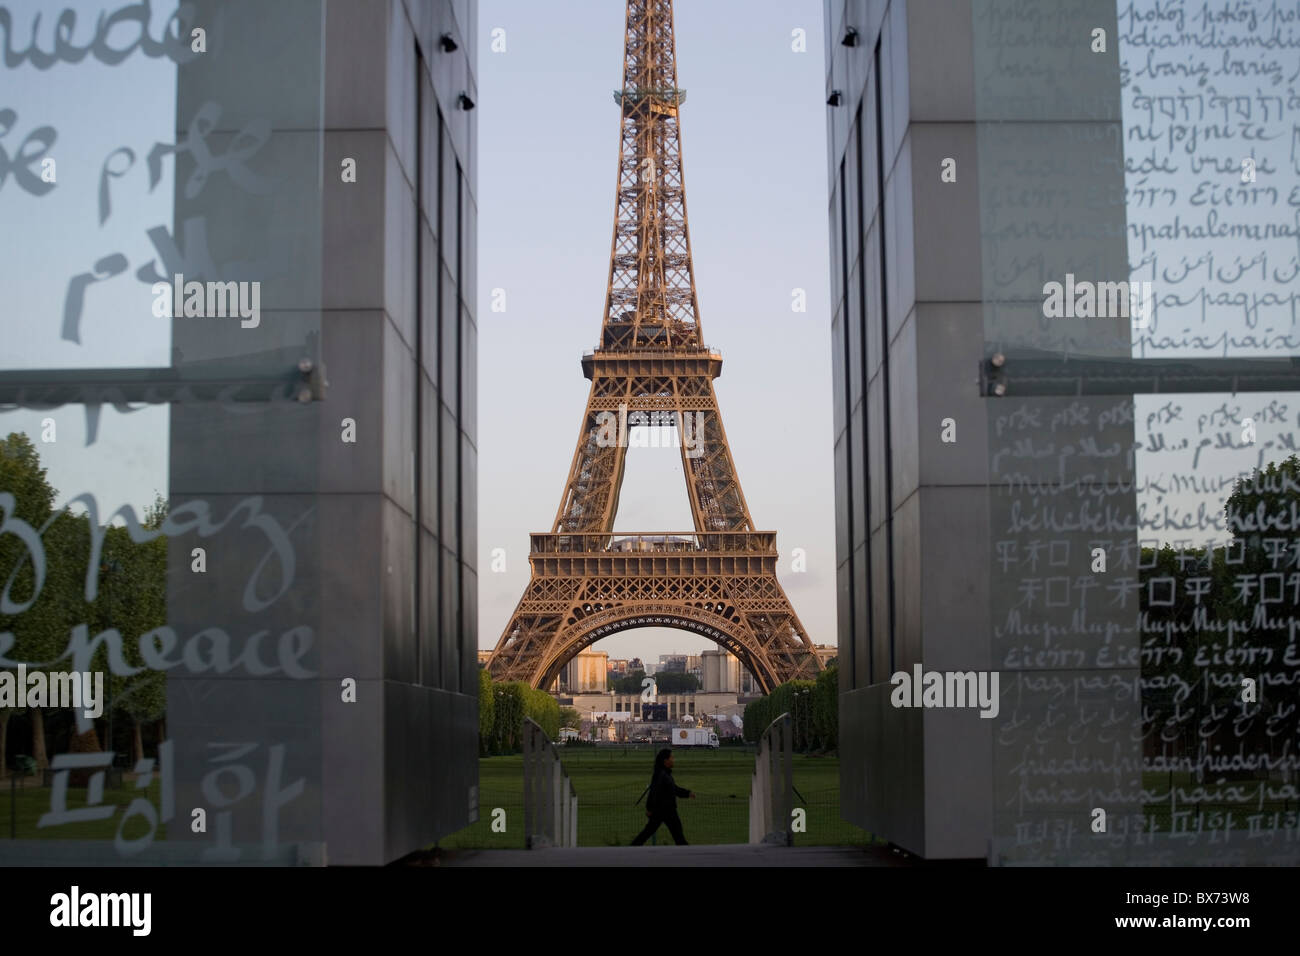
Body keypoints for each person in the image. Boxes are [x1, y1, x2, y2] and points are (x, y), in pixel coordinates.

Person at [631, 748, 695, 846]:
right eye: (672, 758)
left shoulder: (665, 774)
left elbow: (673, 789)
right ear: (666, 761)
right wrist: (649, 808)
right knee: (676, 834)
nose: (673, 760)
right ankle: (686, 852)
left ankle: (631, 848)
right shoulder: (662, 775)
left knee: (649, 832)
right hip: (665, 810)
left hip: (663, 810)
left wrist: (687, 793)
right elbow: (654, 792)